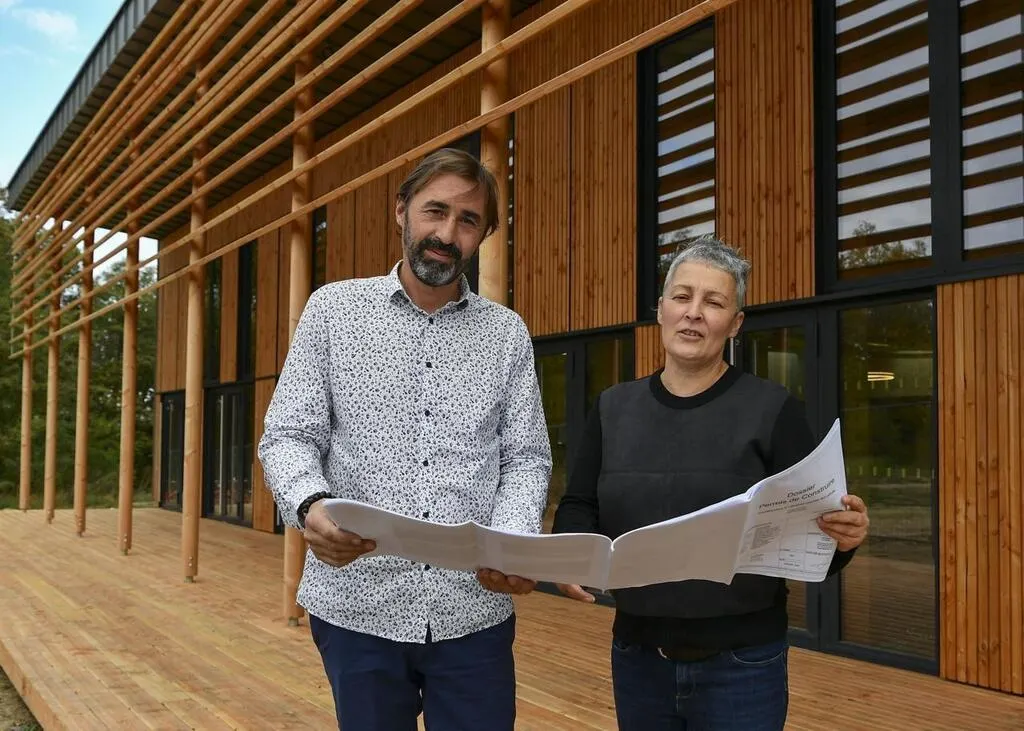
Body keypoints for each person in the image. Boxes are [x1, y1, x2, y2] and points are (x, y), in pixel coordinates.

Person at [258, 148, 552, 731]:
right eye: (434, 211)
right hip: (357, 608)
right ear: (401, 211)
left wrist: (512, 541)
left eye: (468, 221)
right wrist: (310, 507)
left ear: (485, 233)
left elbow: (525, 458)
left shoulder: (507, 334)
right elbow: (288, 434)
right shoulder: (333, 312)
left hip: (473, 612)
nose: (446, 233)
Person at [551, 237, 869, 731]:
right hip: (637, 658)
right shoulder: (613, 408)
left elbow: (817, 535)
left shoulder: (773, 410)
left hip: (743, 666)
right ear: (660, 310)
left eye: (714, 302)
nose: (693, 313)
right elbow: (578, 505)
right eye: (682, 297)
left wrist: (844, 538)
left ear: (735, 323)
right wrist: (573, 554)